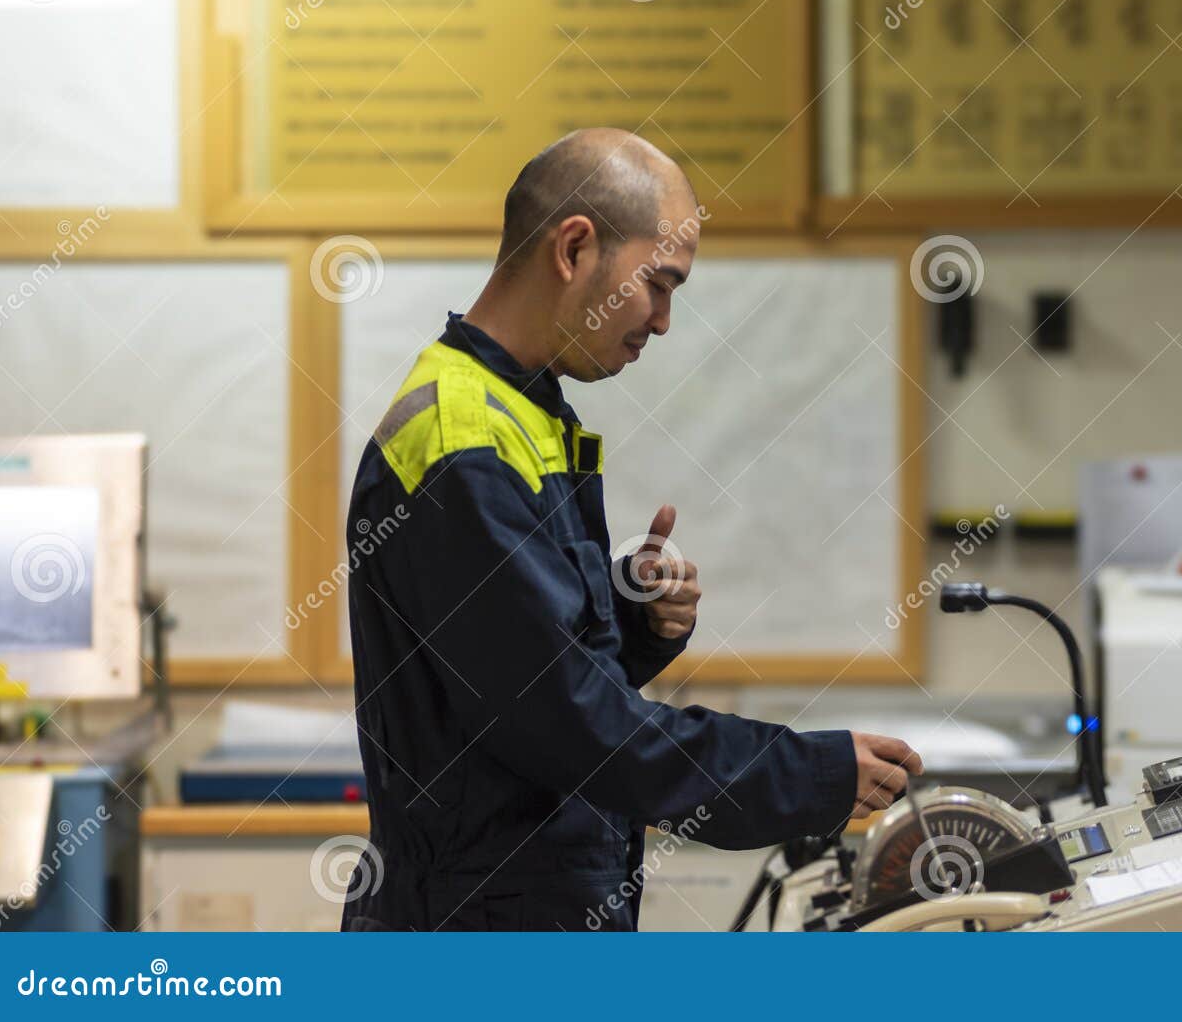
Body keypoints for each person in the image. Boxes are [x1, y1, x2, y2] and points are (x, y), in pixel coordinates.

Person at [341, 128, 923, 931]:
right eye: (660, 282)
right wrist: (805, 776)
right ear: (575, 247)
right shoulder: (461, 445)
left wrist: (632, 622)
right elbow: (571, 725)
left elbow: (517, 667)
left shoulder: (525, 414)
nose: (663, 319)